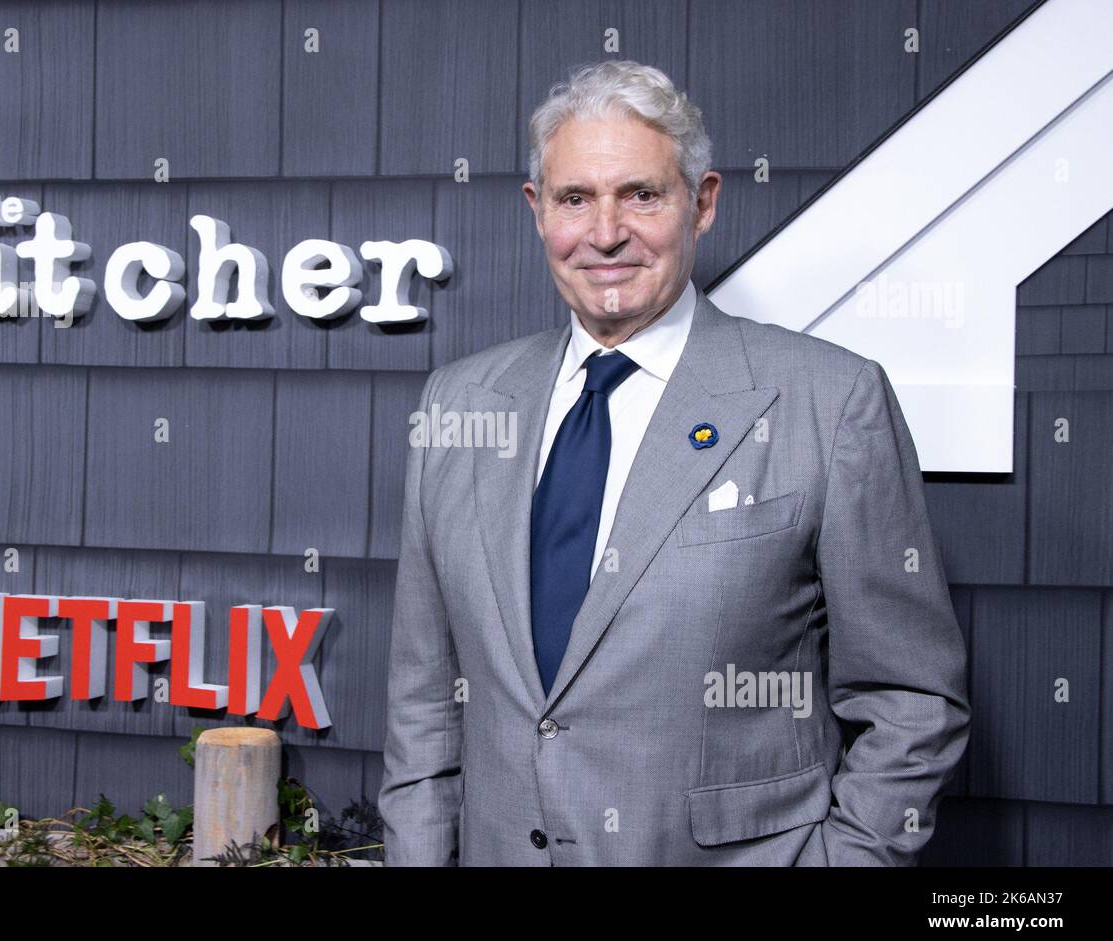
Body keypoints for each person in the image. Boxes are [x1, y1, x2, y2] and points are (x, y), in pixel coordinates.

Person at [378, 59, 970, 866]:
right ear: (537, 210)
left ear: (704, 203)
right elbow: (423, 701)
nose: (606, 232)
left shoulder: (830, 402)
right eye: (575, 199)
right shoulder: (457, 405)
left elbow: (910, 698)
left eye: (642, 195)